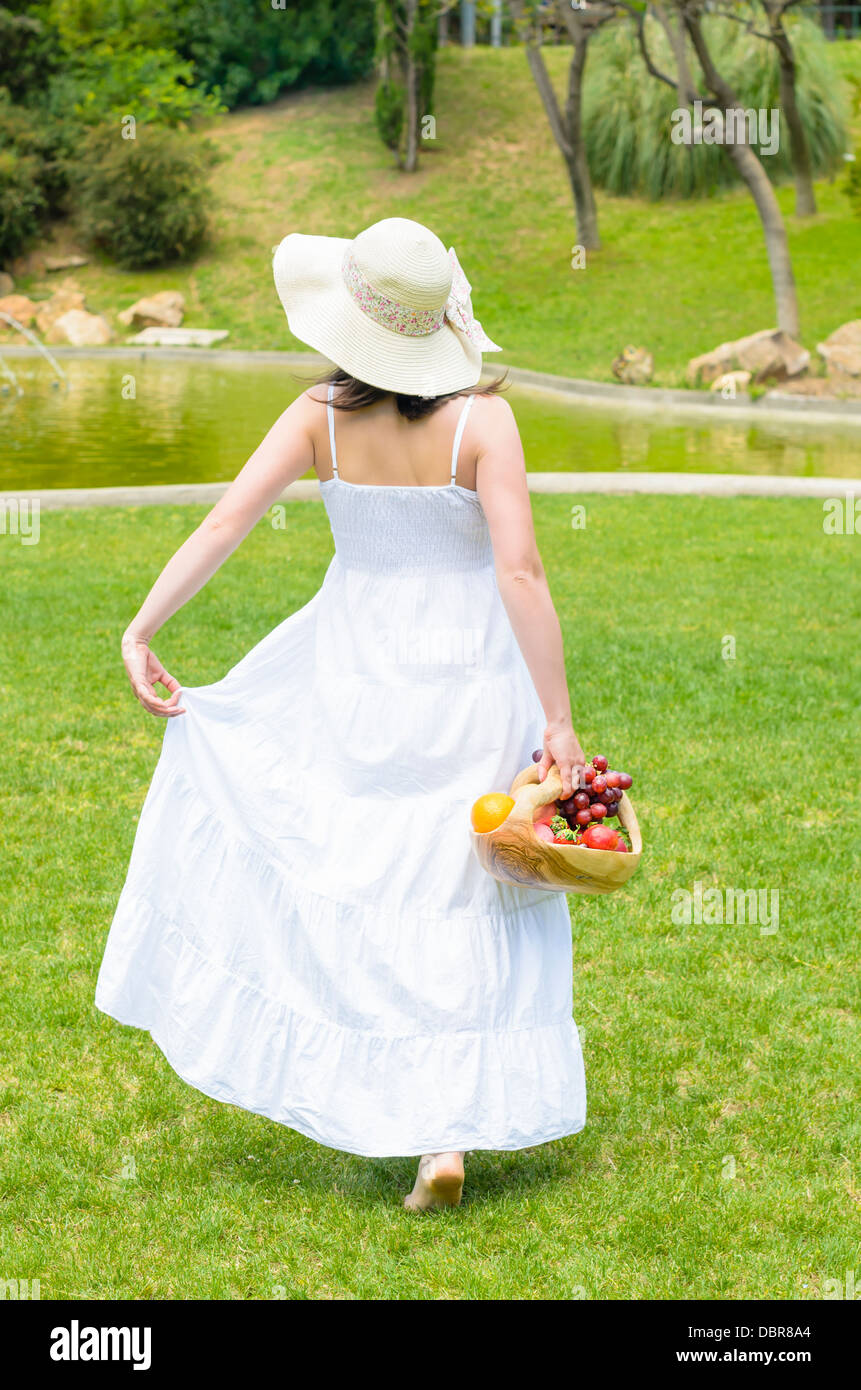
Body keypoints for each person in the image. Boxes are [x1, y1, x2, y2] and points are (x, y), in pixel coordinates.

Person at [96, 217, 588, 1212]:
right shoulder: (482, 423)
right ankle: (444, 1134)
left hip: (353, 666)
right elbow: (520, 571)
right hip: (468, 673)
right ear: (442, 317)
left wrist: (144, 625)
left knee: (365, 869)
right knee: (463, 878)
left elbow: (227, 518)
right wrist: (559, 718)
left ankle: (397, 1100)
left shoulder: (319, 413)